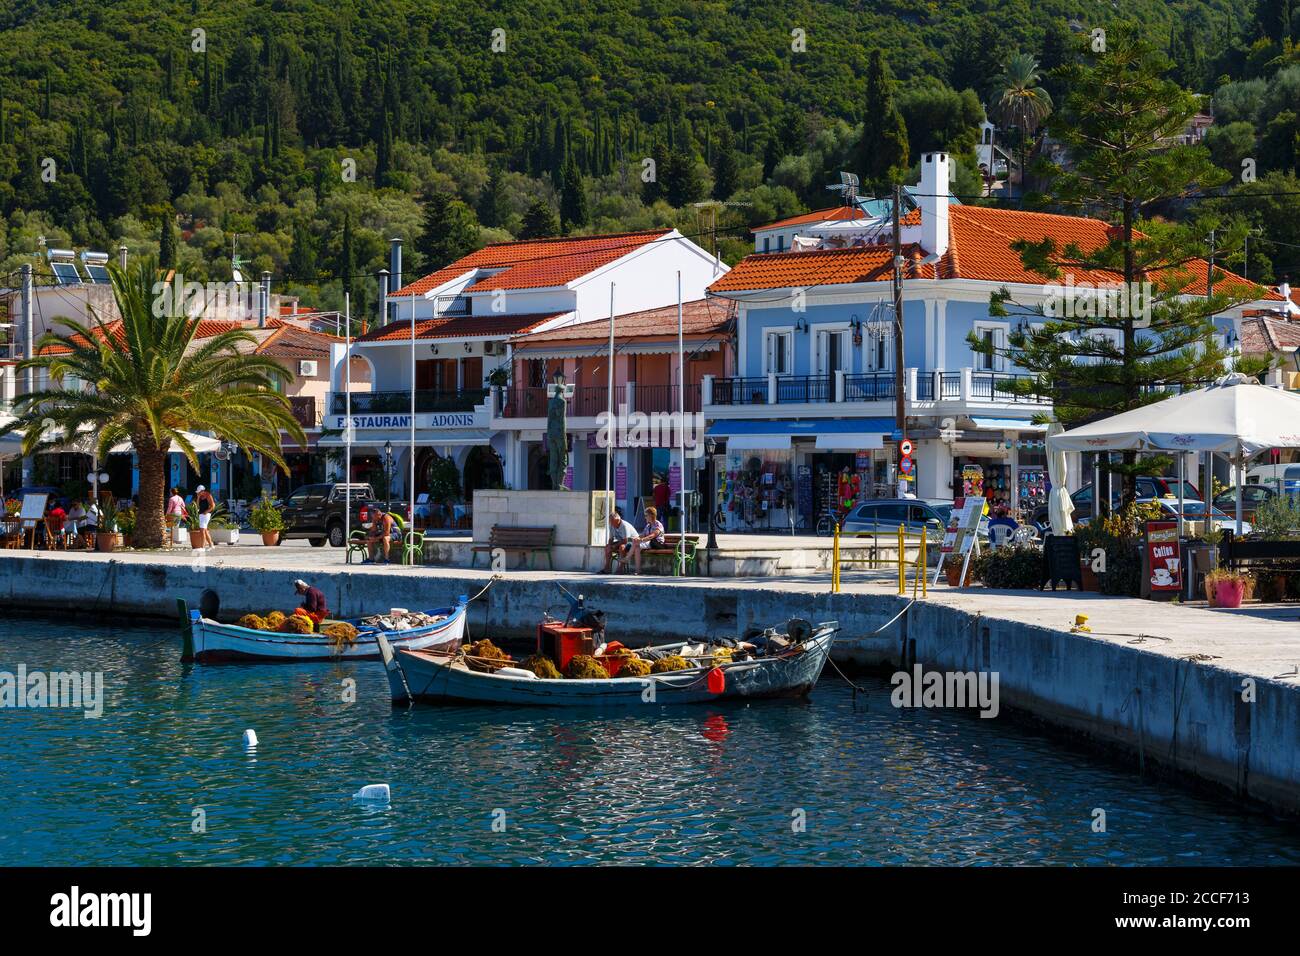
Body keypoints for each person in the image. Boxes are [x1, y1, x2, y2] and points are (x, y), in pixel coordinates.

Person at [602, 509, 639, 573]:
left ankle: (620, 568)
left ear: (618, 520)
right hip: (621, 541)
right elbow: (611, 538)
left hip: (632, 542)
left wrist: (615, 546)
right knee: (607, 547)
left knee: (622, 547)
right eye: (611, 522)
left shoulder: (624, 526)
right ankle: (607, 567)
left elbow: (625, 541)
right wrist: (610, 545)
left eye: (614, 522)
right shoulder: (611, 525)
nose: (613, 524)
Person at [634, 505, 666, 573]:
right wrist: (637, 538)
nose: (645, 517)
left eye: (646, 515)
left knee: (637, 545)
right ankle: (638, 569)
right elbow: (643, 535)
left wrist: (641, 540)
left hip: (657, 543)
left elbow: (653, 536)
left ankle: (627, 559)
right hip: (650, 542)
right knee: (636, 545)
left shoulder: (658, 524)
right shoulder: (648, 525)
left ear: (651, 515)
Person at [193, 485, 215, 551]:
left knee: (202, 530)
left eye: (199, 492)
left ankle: (202, 547)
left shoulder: (208, 495)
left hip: (206, 514)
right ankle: (211, 545)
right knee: (204, 530)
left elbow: (213, 506)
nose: (198, 493)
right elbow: (197, 506)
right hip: (201, 514)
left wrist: (206, 511)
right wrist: (198, 497)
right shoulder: (200, 496)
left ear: (202, 491)